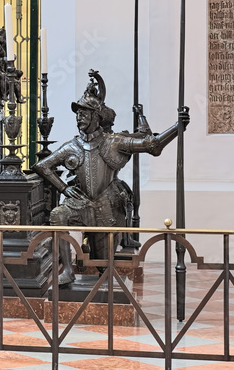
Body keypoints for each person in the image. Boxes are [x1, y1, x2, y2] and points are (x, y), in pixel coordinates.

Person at [33, 71, 187, 284]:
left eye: (84, 114)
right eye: (78, 114)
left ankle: (106, 287)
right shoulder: (73, 146)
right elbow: (42, 166)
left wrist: (178, 127)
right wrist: (64, 189)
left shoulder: (114, 142)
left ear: (96, 116)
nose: (79, 118)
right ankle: (67, 270)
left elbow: (153, 145)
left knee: (102, 264)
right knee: (58, 215)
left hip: (105, 206)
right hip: (79, 204)